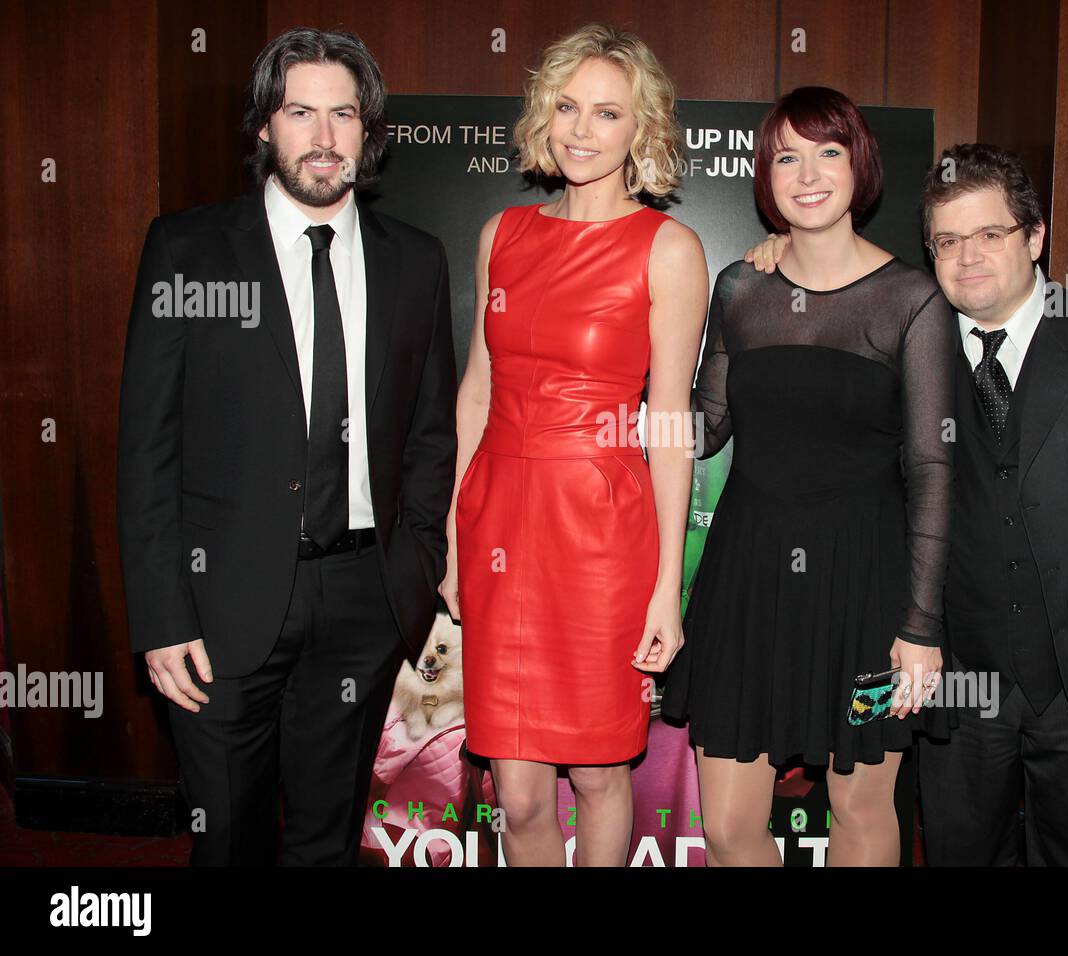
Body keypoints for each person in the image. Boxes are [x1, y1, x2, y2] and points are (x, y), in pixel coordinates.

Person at [747, 142, 1068, 865]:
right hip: (953, 673)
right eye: (948, 241)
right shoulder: (903, 343)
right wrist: (786, 251)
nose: (968, 257)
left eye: (990, 234)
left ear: (1034, 236)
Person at [116, 28, 458, 865]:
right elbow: (146, 450)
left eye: (344, 114)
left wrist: (408, 574)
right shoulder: (187, 249)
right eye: (301, 111)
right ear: (266, 127)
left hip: (361, 600)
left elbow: (429, 434)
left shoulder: (415, 261)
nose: (324, 135)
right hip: (218, 602)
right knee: (226, 837)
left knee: (326, 841)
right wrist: (163, 617)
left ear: (368, 134)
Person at [660, 86, 956, 866]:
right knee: (726, 827)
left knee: (862, 809)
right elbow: (705, 425)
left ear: (859, 166)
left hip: (865, 582)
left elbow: (931, 466)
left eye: (829, 151)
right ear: (766, 176)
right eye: (787, 156)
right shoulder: (741, 289)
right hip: (747, 578)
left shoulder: (910, 300)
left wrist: (920, 628)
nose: (809, 173)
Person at [439, 23, 708, 867]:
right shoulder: (501, 235)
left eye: (606, 112)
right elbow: (476, 392)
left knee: (596, 775)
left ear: (642, 130)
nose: (580, 129)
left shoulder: (667, 249)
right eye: (565, 107)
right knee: (517, 791)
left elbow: (669, 426)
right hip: (498, 526)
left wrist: (666, 587)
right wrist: (452, 534)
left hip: (600, 532)